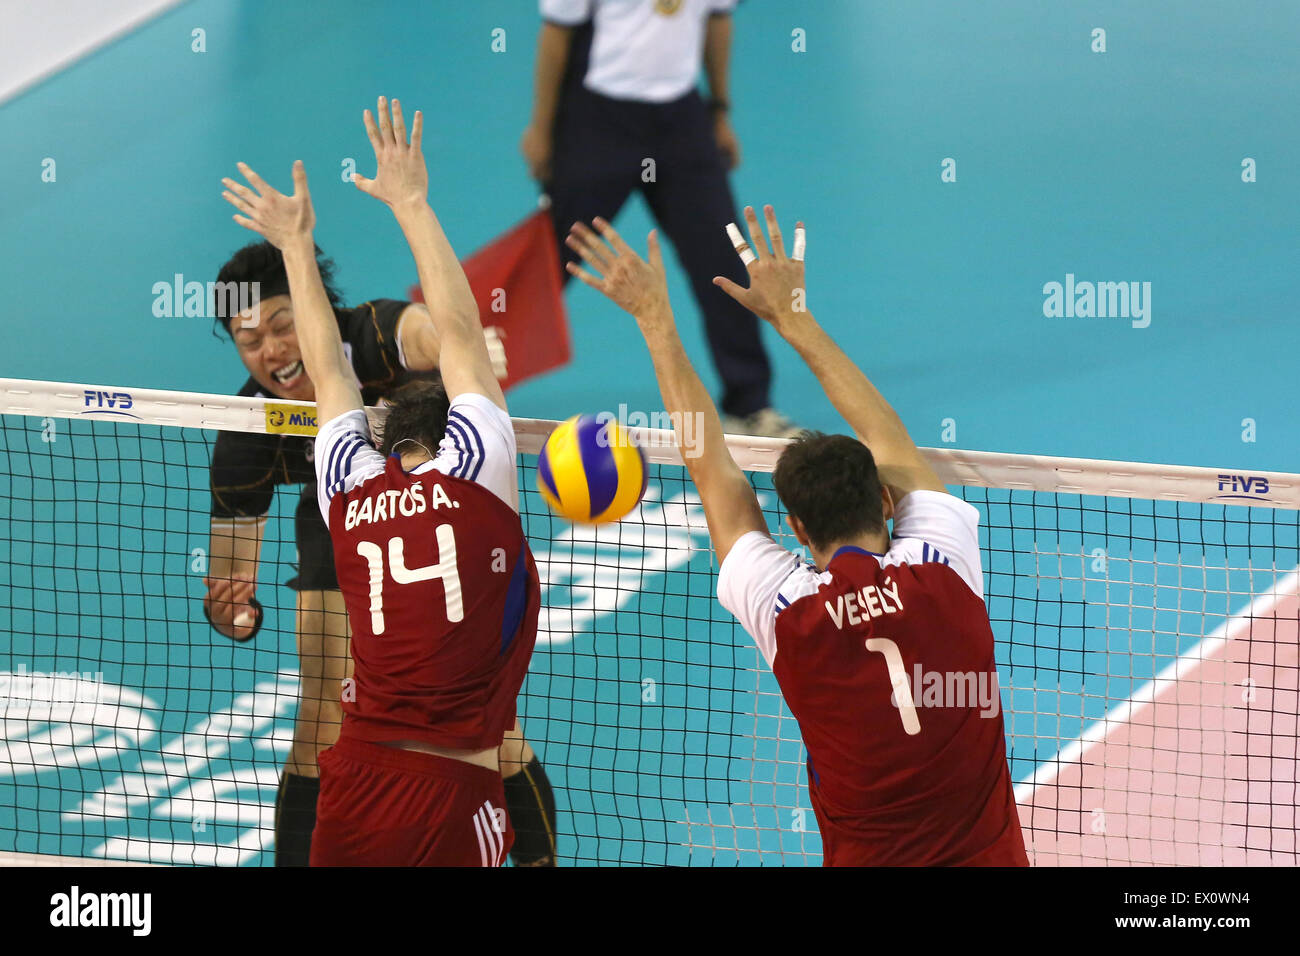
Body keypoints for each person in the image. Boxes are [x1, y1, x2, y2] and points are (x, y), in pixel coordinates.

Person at [564, 207, 1029, 866]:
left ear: (796, 528)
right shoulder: (942, 564)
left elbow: (710, 464)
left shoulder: (789, 613)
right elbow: (886, 431)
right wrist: (795, 316)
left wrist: (654, 318)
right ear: (887, 501)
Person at [220, 97, 544, 866]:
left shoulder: (346, 492)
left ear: (380, 440)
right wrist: (411, 202)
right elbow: (460, 336)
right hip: (449, 794)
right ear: (453, 435)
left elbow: (339, 368)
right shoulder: (480, 475)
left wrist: (295, 244)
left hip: (358, 781)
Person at [521, 0, 797, 438]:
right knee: (549, 259)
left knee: (725, 260)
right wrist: (541, 128)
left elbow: (718, 21)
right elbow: (557, 34)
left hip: (682, 124)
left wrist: (719, 111)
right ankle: (455, 384)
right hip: (597, 122)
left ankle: (748, 405)